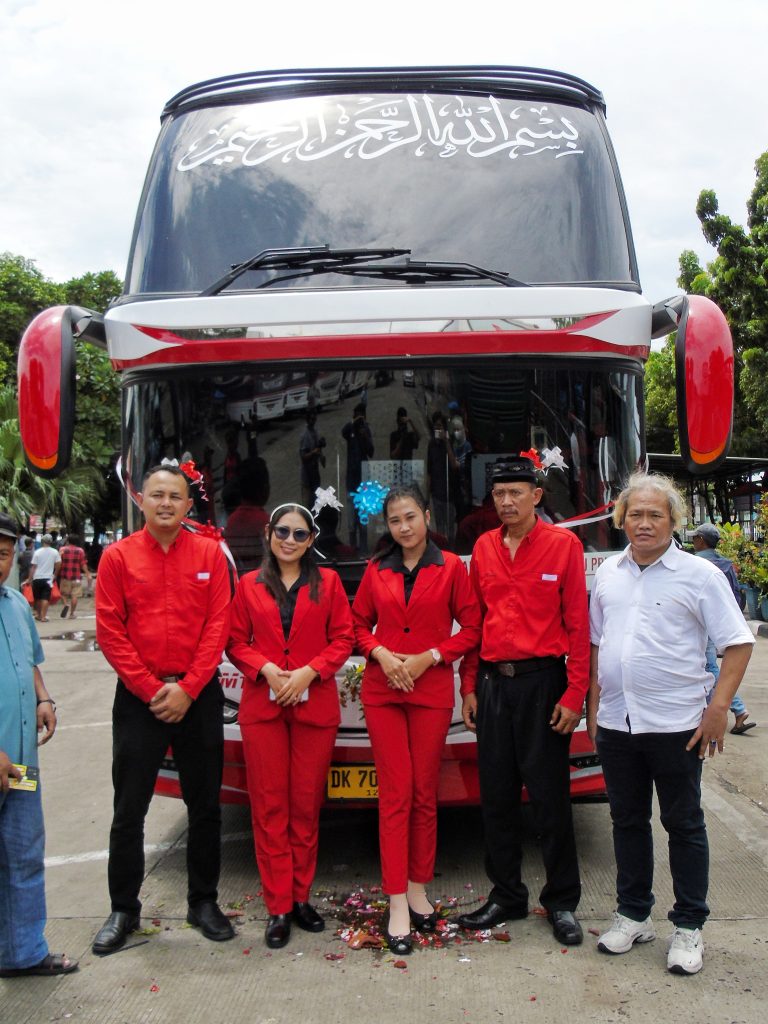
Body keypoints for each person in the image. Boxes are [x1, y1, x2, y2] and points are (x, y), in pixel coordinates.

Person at [587, 473, 754, 975]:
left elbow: (738, 642)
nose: (643, 523)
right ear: (621, 519)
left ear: (673, 521)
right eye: (634, 514)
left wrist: (719, 708)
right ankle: (634, 914)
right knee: (626, 822)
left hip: (679, 723)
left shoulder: (700, 575)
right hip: (618, 724)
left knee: (683, 824)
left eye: (654, 514)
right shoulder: (609, 574)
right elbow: (598, 643)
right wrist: (596, 711)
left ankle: (689, 925)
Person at [92, 464, 234, 955]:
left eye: (176, 496)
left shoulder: (211, 555)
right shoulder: (117, 557)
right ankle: (124, 909)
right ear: (142, 500)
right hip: (139, 699)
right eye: (157, 495)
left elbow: (219, 626)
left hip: (197, 697)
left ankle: (203, 901)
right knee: (129, 810)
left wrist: (190, 688)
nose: (167, 503)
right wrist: (153, 688)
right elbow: (110, 631)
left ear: (189, 504)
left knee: (206, 806)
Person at [457, 456, 589, 947]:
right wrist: (468, 686)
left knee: (551, 799)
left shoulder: (563, 546)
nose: (507, 502)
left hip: (543, 685)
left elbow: (578, 625)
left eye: (516, 493)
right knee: (496, 797)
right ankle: (507, 894)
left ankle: (561, 901)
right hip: (493, 685)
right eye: (498, 495)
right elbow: (475, 625)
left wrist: (574, 693)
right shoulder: (484, 548)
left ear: (537, 495)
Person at [352, 484, 481, 955]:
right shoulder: (374, 570)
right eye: (394, 521)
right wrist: (382, 654)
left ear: (426, 515)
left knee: (425, 792)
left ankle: (418, 886)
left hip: (428, 691)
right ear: (387, 526)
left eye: (410, 517)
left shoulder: (450, 568)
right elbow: (355, 625)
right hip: (384, 692)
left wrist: (430, 656)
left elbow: (472, 628)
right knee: (395, 793)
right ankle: (396, 901)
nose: (403, 527)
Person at [227, 503, 353, 949]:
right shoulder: (247, 585)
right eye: (283, 531)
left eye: (300, 534)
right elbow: (235, 642)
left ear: (311, 540)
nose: (290, 540)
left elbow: (344, 638)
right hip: (264, 709)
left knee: (304, 807)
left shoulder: (330, 583)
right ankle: (278, 905)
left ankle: (301, 897)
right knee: (269, 809)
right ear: (268, 533)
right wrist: (264, 669)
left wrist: (308, 672)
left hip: (313, 708)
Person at [0, 512, 78, 978]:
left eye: (6, 552)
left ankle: (22, 952)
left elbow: (29, 661)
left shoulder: (14, 603)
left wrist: (44, 698)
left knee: (25, 856)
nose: (0, 559)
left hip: (22, 764)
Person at [691, 523, 756, 735]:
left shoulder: (693, 565)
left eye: (694, 539)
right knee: (708, 666)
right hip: (721, 623)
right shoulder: (726, 565)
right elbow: (737, 597)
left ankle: (735, 709)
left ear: (701, 540)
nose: (693, 543)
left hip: (700, 625)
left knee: (709, 666)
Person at [341, 403, 374, 551]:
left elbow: (371, 452)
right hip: (351, 482)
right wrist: (354, 422)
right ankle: (353, 550)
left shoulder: (365, 430)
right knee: (351, 521)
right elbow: (343, 432)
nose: (358, 418)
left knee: (363, 520)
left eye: (360, 415)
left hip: (364, 483)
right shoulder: (350, 429)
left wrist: (364, 434)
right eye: (356, 415)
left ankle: (364, 551)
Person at [27, 533, 61, 623]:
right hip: (48, 579)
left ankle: (38, 615)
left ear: (42, 541)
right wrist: (55, 574)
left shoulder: (37, 552)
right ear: (51, 542)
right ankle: (43, 616)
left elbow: (33, 567)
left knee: (37, 598)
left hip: (37, 578)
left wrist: (29, 579)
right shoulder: (55, 552)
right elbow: (58, 564)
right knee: (45, 597)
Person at [58, 533, 92, 620]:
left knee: (63, 593)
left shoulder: (62, 549)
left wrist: (55, 572)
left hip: (64, 575)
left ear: (68, 541)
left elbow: (58, 562)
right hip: (76, 576)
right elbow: (83, 563)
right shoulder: (80, 551)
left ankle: (66, 604)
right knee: (75, 595)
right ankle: (72, 614)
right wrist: (87, 574)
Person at [299, 410, 326, 509]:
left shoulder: (315, 432)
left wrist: (321, 455)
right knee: (307, 506)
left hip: (315, 474)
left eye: (314, 419)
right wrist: (313, 452)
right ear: (307, 420)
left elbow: (319, 450)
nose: (312, 421)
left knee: (316, 504)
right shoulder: (305, 435)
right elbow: (303, 457)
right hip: (306, 475)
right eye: (310, 419)